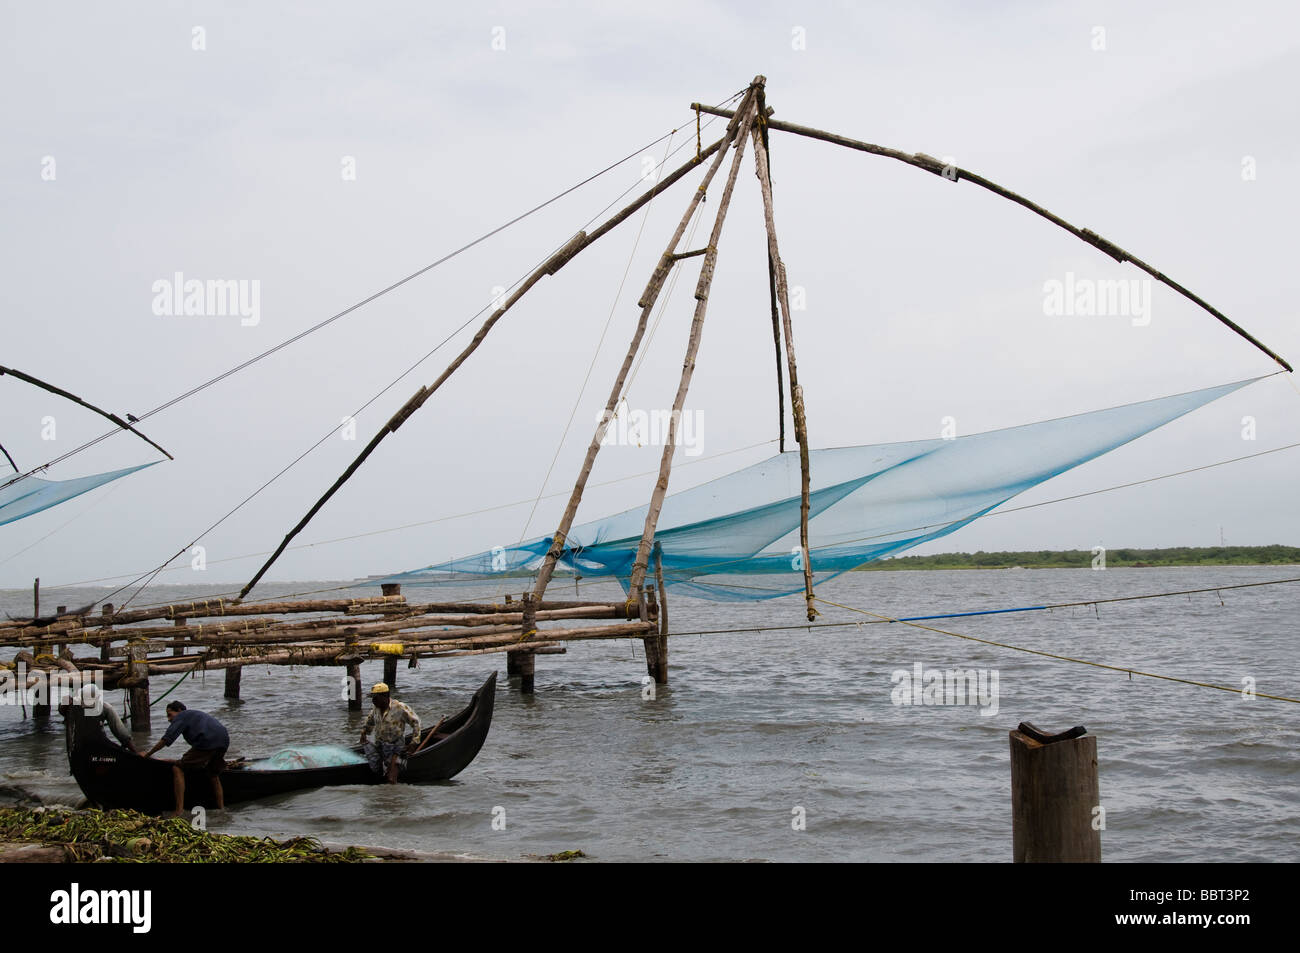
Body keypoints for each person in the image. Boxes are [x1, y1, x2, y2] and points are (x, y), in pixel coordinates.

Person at [143, 701, 229, 814]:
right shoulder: (195, 715)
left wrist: (148, 754)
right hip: (223, 740)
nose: (169, 719)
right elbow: (197, 755)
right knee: (213, 774)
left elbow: (166, 739)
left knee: (178, 768)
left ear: (179, 710)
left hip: (207, 741)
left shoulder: (182, 716)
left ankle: (179, 811)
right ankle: (221, 809)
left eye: (169, 714)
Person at [360, 682, 421, 783]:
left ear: (385, 696)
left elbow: (416, 722)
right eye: (372, 698)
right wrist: (364, 733)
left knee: (391, 779)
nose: (373, 701)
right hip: (380, 745)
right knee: (377, 772)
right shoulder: (376, 708)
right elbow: (369, 721)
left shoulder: (399, 707)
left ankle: (393, 795)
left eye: (375, 698)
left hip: (396, 748)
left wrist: (414, 742)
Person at [78, 683, 136, 752]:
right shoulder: (75, 706)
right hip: (81, 744)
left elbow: (120, 732)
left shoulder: (105, 708)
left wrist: (135, 752)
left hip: (98, 742)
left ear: (97, 698)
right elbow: (62, 709)